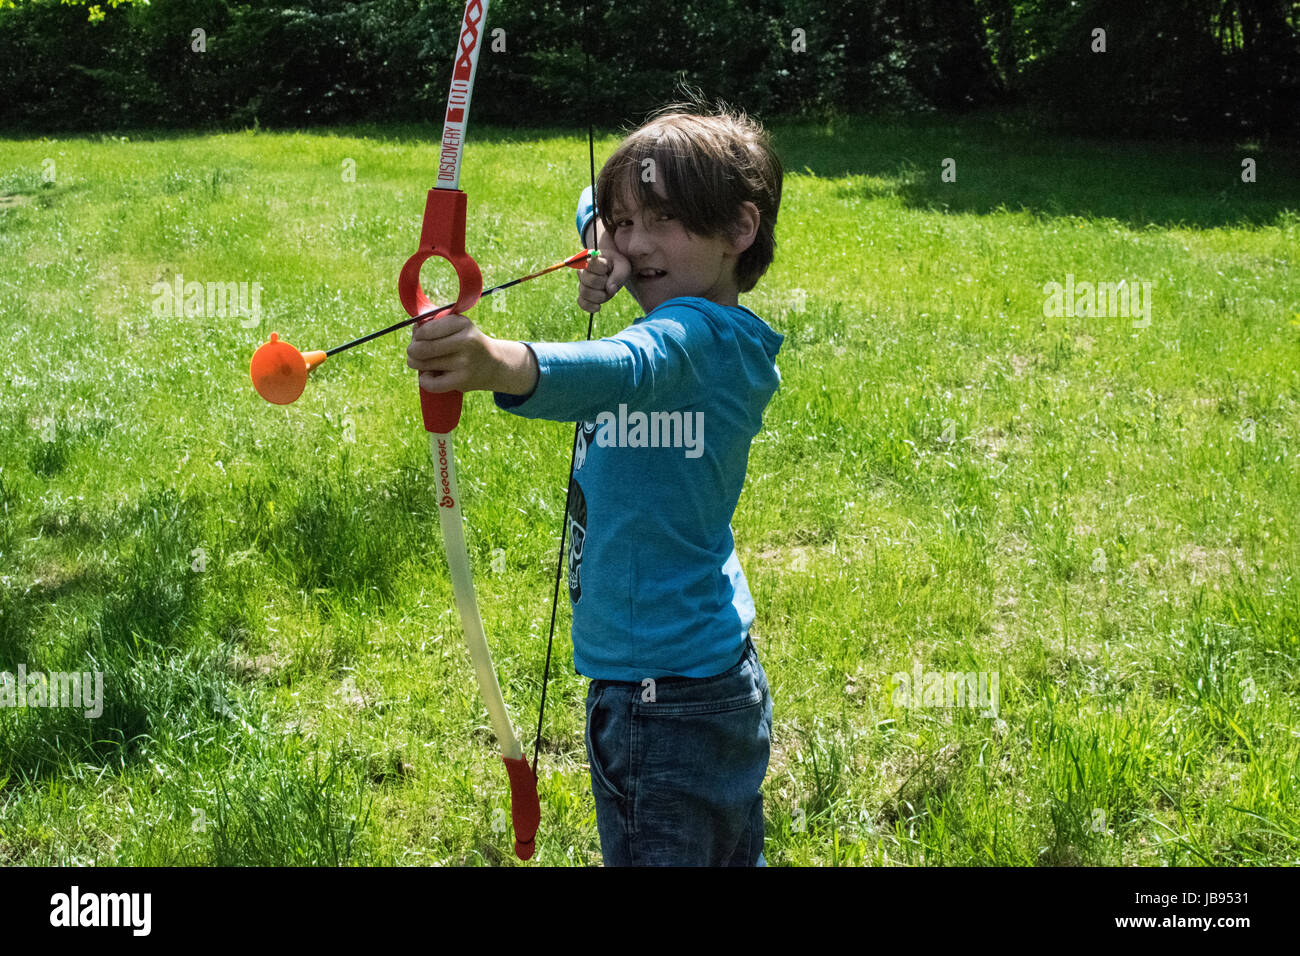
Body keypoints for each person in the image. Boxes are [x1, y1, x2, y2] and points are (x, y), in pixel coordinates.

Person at [407, 101, 784, 866]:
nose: (635, 242)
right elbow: (602, 210)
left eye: (663, 220)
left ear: (739, 229)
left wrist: (495, 364)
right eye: (625, 222)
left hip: (661, 705)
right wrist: (603, 243)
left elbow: (625, 367)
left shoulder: (699, 341)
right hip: (706, 679)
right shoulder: (693, 302)